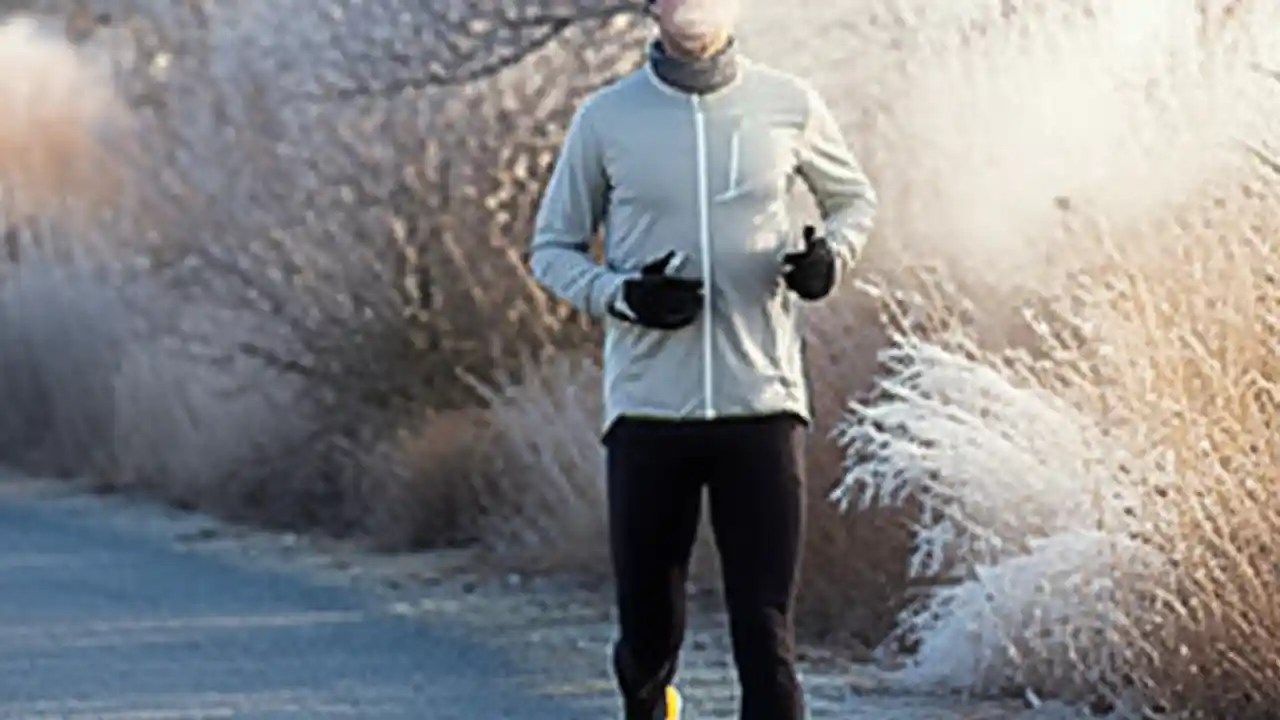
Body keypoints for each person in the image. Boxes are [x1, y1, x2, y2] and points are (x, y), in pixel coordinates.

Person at [527, 0, 878, 717]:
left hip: (763, 403)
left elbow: (854, 201)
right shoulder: (607, 118)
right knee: (649, 640)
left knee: (765, 635)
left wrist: (827, 262)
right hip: (650, 410)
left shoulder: (788, 102)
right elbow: (551, 249)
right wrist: (623, 295)